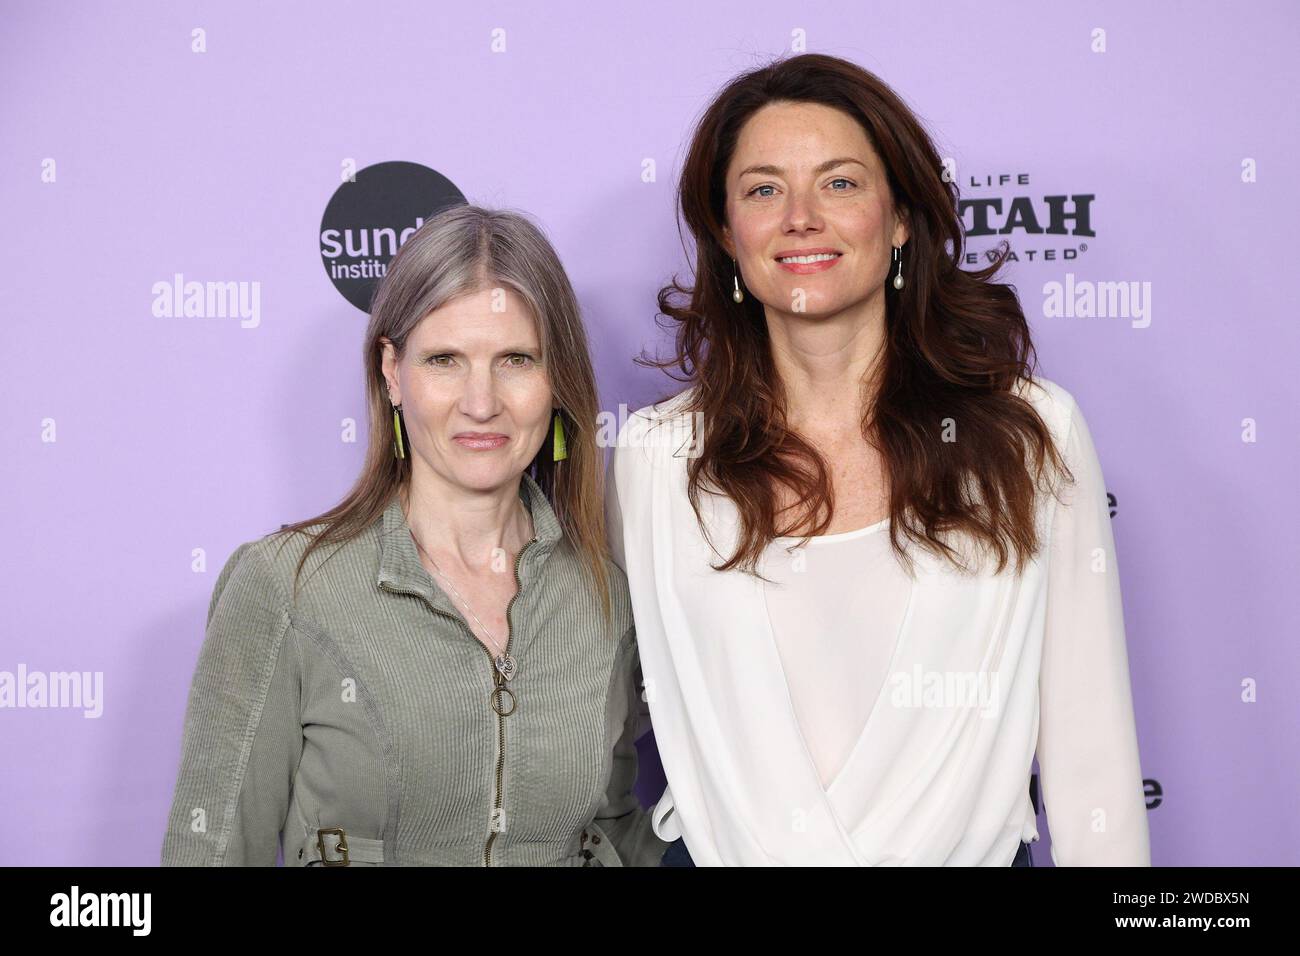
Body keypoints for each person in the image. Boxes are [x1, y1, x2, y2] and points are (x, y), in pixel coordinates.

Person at [609, 53, 1151, 866]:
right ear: (726, 235)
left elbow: (1091, 764)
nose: (800, 217)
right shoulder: (658, 460)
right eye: (762, 189)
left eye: (839, 183)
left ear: (900, 217)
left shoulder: (1029, 436)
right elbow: (598, 720)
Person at [162, 203, 670, 866]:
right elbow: (210, 850)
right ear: (392, 372)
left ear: (557, 380)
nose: (481, 401)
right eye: (445, 360)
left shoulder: (607, 596)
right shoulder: (284, 586)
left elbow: (616, 832)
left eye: (515, 359)